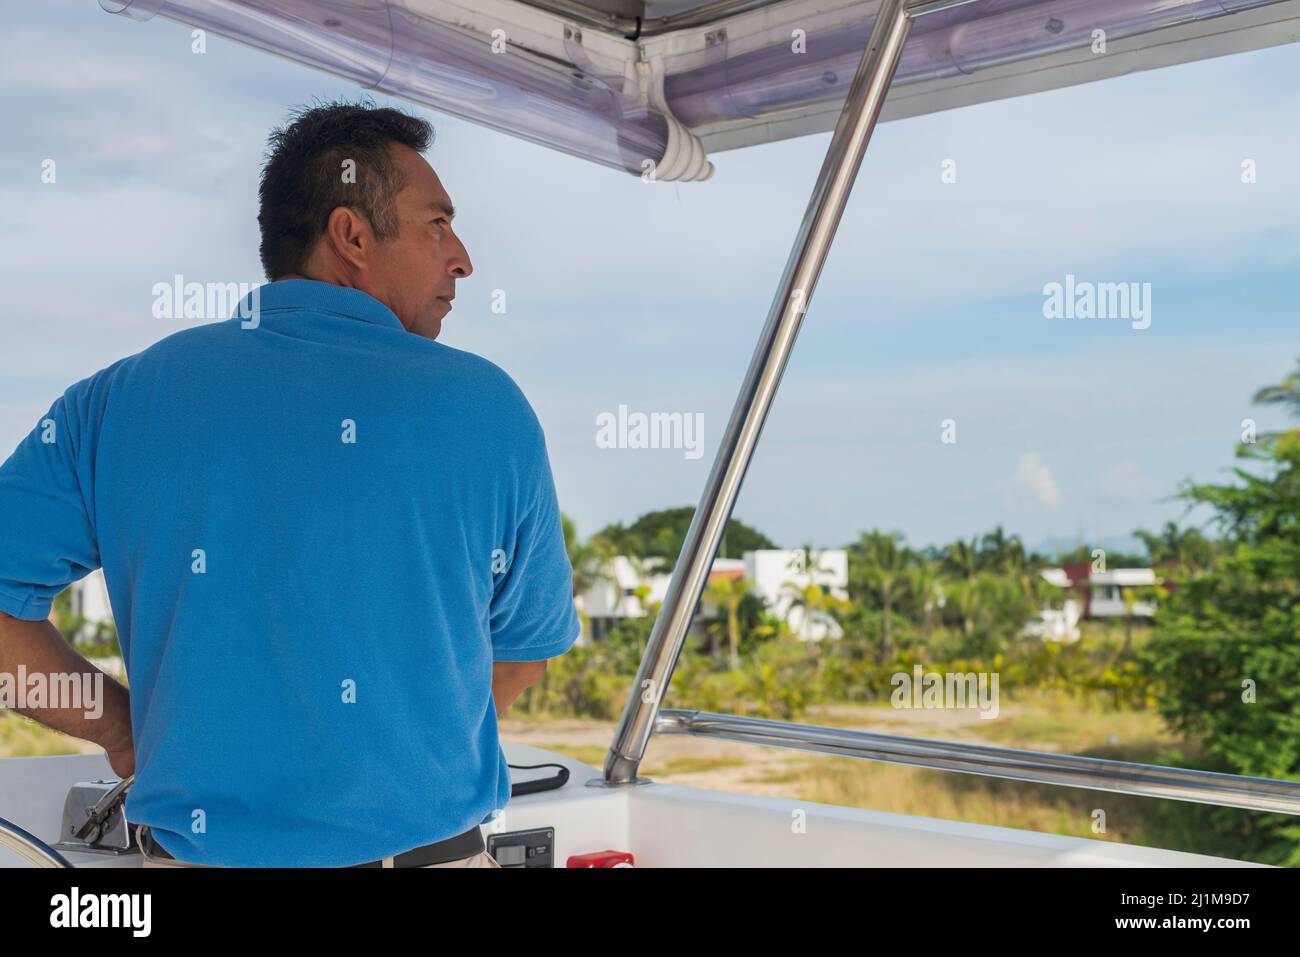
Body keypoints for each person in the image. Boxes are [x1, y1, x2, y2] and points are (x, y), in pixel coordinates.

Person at [0, 101, 581, 868]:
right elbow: (524, 653)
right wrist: (408, 757)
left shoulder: (120, 401)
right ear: (351, 235)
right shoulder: (491, 409)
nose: (462, 256)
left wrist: (120, 727)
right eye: (438, 224)